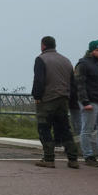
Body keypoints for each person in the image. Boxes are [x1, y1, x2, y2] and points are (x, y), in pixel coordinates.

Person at [31, 36, 79, 169]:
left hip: (48, 99)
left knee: (44, 127)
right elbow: (73, 83)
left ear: (43, 45)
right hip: (63, 98)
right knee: (65, 128)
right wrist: (72, 100)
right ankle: (73, 159)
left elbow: (39, 80)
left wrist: (37, 95)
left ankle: (49, 159)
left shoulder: (41, 59)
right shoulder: (66, 60)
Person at [75, 40, 98, 168]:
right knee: (87, 129)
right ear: (91, 51)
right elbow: (80, 84)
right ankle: (88, 156)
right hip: (90, 101)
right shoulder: (83, 64)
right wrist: (85, 102)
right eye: (97, 50)